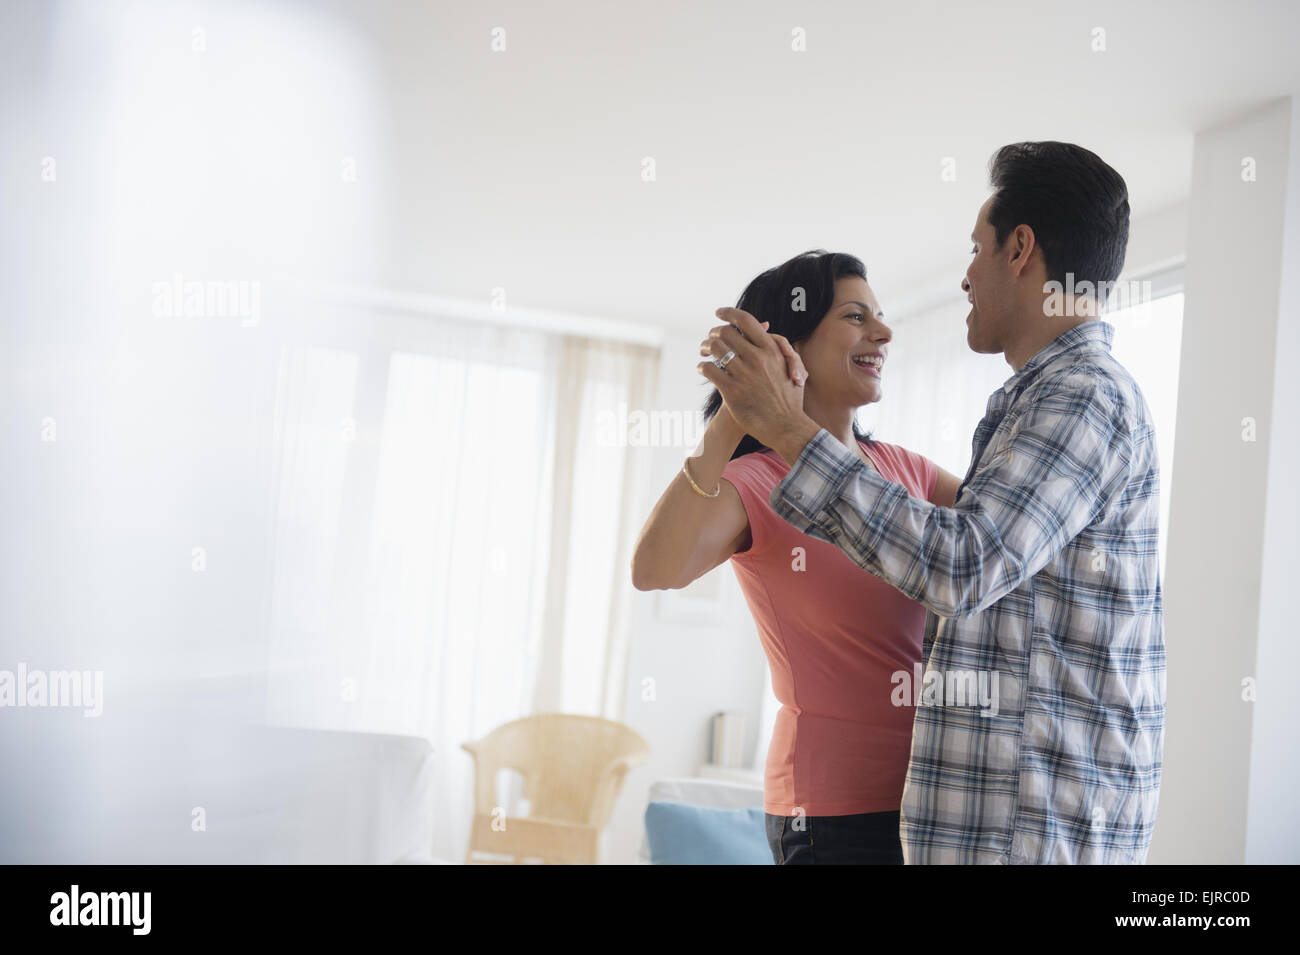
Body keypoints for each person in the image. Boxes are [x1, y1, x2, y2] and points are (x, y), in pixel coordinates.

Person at [699, 142, 1166, 865]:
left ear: (1020, 248)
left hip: (1034, 833)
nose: (966, 276)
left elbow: (960, 562)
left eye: (976, 249)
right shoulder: (1038, 404)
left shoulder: (1082, 397)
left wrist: (789, 428)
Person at [632, 250, 962, 864]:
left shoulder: (903, 469)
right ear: (789, 348)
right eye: (857, 317)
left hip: (931, 798)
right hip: (831, 811)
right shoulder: (758, 480)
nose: (883, 333)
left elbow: (1000, 544)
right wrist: (736, 412)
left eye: (880, 317)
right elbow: (654, 571)